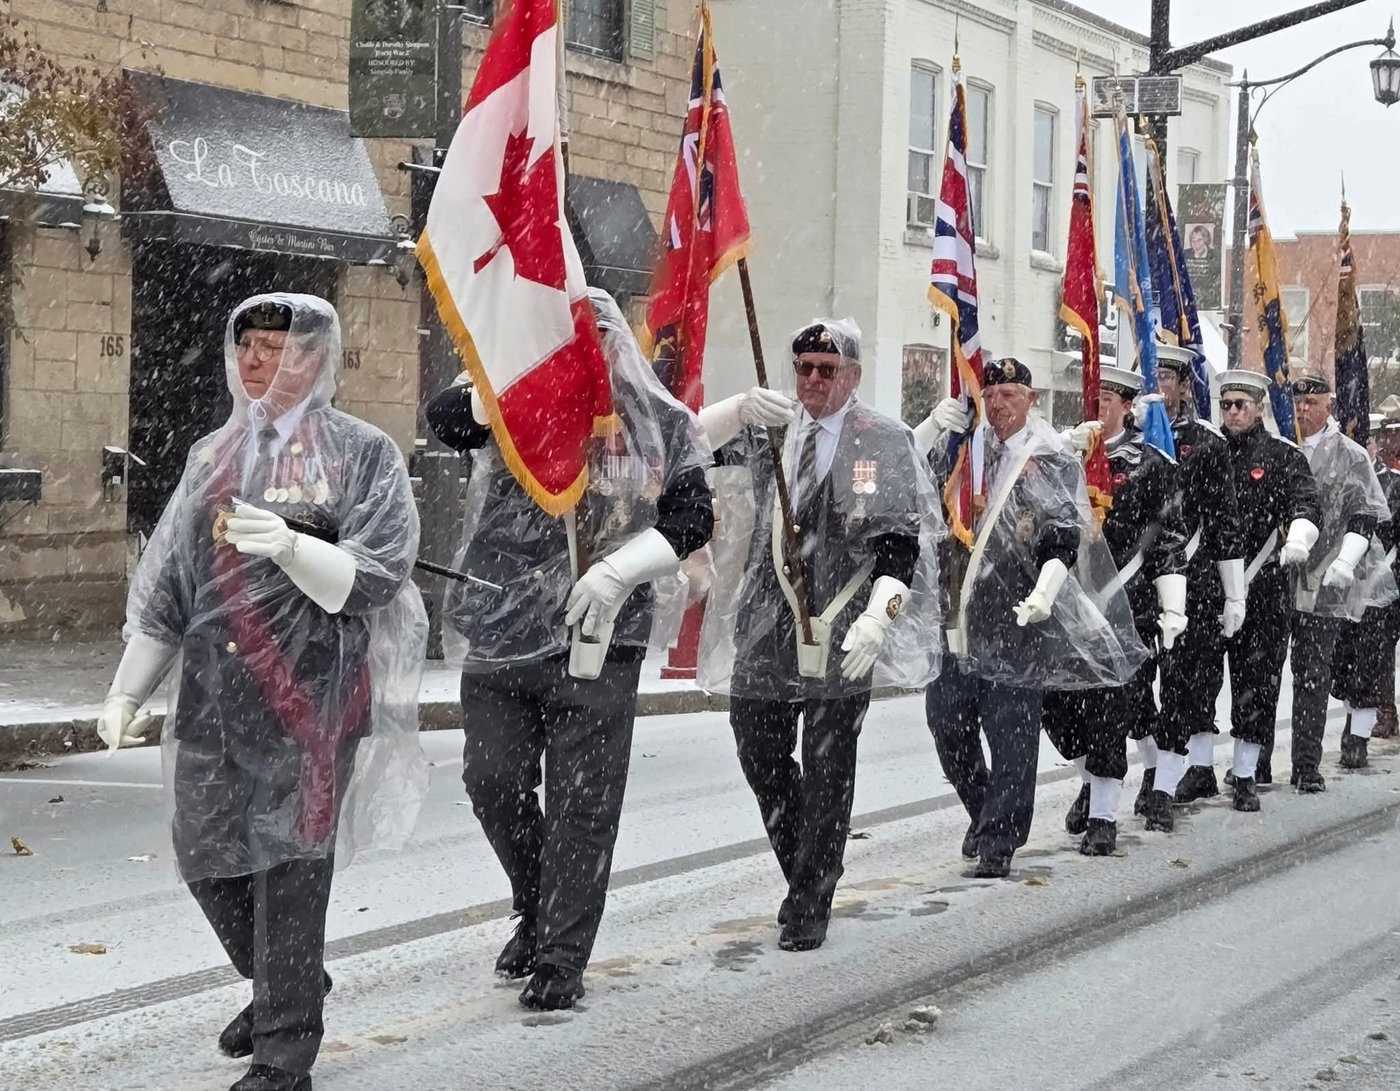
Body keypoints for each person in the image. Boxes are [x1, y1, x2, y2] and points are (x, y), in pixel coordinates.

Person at [97, 294, 429, 1091]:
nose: (256, 361)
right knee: (207, 857)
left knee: (290, 865)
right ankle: (290, 979)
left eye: (276, 347)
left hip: (311, 700)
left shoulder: (360, 454)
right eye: (246, 344)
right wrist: (125, 691)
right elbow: (169, 587)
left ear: (316, 359)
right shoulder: (212, 456)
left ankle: (285, 1054)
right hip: (213, 697)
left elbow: (378, 572)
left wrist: (291, 547)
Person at [426, 288, 713, 1010]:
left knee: (584, 804)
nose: (589, 352)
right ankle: (536, 897)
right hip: (502, 628)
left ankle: (560, 955)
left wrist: (621, 569)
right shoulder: (514, 398)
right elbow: (446, 421)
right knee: (491, 781)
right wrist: (493, 399)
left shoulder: (659, 425)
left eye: (598, 338)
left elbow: (690, 517)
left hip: (599, 640)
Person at [696, 319, 943, 951]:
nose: (811, 380)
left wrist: (877, 619)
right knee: (757, 746)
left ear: (852, 378)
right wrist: (735, 408)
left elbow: (899, 544)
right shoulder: (770, 428)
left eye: (826, 371)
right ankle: (811, 862)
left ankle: (808, 898)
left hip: (843, 622)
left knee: (830, 764)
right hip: (767, 623)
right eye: (803, 367)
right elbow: (687, 446)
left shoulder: (883, 441)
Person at [914, 357, 1147, 878]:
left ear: (1030, 399)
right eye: (990, 396)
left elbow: (1062, 530)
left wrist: (1045, 587)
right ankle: (984, 810)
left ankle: (1001, 838)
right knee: (946, 724)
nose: (997, 405)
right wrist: (934, 429)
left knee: (1011, 734)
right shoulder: (961, 451)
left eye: (1009, 396)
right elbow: (910, 493)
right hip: (957, 616)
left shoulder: (1047, 458)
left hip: (1017, 618)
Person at [1045, 366, 1188, 852]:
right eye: (1092, 397)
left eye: (1107, 398)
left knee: (1111, 710)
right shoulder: (1061, 459)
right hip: (1064, 606)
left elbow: (1169, 541)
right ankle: (1090, 778)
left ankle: (1104, 814)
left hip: (1126, 605)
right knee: (1060, 711)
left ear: (1128, 406)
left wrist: (1174, 606)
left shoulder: (1152, 466)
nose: (1098, 406)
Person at [1205, 369, 1321, 811]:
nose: (1232, 413)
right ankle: (1197, 769)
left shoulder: (1283, 457)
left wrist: (1299, 538)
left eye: (1241, 405)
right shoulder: (1206, 454)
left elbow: (1307, 505)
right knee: (1198, 681)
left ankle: (1246, 773)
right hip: (1210, 588)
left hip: (1264, 587)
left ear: (1258, 409)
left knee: (1256, 685)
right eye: (1226, 405)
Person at [1147, 344, 1248, 808]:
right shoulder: (1131, 442)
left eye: (1165, 377)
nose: (1158, 385)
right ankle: (1140, 767)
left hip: (1194, 584)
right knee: (1127, 691)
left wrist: (1234, 595)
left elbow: (1226, 523)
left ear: (1186, 386)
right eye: (1151, 375)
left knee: (1186, 684)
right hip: (1137, 586)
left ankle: (1174, 777)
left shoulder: (1207, 444)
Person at [1283, 374, 1395, 790]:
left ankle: (1306, 764)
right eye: (1297, 402)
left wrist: (1345, 561)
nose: (1302, 410)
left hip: (1325, 578)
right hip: (1277, 577)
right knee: (1265, 674)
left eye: (1311, 402)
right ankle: (1253, 763)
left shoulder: (1349, 456)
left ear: (1328, 406)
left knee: (1313, 674)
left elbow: (1365, 514)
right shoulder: (1282, 446)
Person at [1330, 422, 1400, 768]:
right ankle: (1354, 720)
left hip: (1383, 584)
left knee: (1372, 661)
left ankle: (1358, 735)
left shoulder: (1392, 484)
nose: (1386, 442)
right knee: (1344, 662)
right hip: (1348, 583)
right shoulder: (1358, 482)